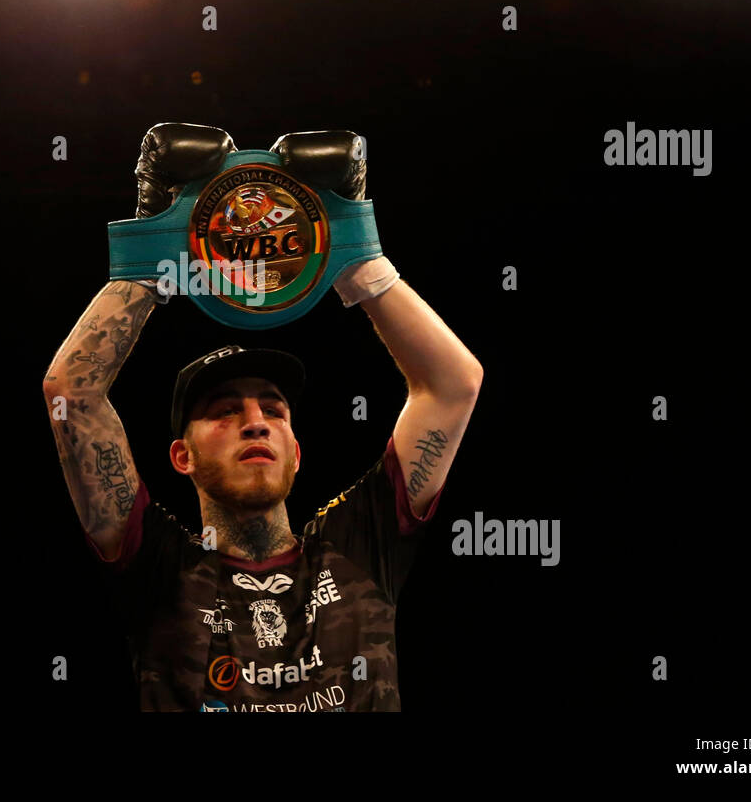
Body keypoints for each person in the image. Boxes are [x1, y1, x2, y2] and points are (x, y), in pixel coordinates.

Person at [42, 123, 483, 711]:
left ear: (297, 451)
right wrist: (148, 257)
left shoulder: (356, 546)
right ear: (182, 455)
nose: (256, 422)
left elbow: (455, 385)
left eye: (273, 411)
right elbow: (73, 391)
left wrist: (356, 253)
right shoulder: (159, 569)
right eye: (224, 412)